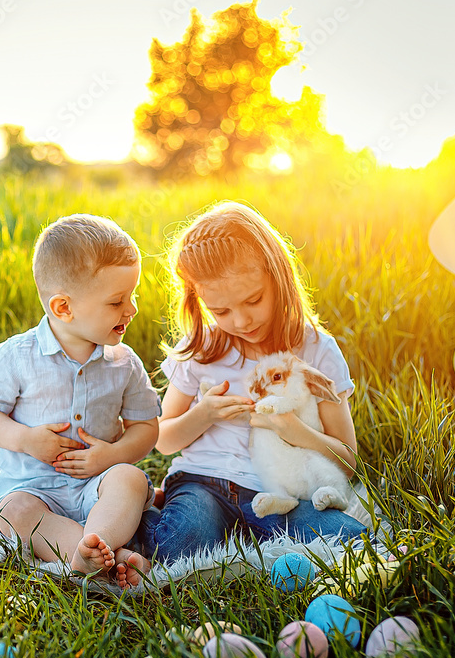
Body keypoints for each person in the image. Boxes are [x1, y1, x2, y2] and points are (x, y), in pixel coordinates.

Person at [136, 201, 368, 563]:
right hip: (203, 482)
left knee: (351, 542)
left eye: (253, 300)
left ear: (277, 277)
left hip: (281, 490)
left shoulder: (316, 349)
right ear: (198, 301)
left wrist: (294, 431)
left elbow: (349, 459)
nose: (241, 321)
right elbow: (163, 439)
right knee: (182, 545)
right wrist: (204, 415)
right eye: (221, 311)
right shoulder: (201, 348)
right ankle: (138, 513)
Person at [0, 214, 161, 588]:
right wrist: (25, 440)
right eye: (117, 301)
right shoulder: (17, 356)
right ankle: (90, 553)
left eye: (131, 296)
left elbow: (146, 428)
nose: (131, 309)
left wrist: (111, 456)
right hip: (34, 488)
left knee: (131, 479)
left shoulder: (124, 363)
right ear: (63, 308)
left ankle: (99, 538)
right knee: (13, 513)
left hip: (97, 486)